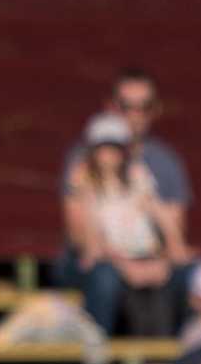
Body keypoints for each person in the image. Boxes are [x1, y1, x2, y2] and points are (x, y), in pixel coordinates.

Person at [63, 114, 186, 337]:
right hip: (112, 262)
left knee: (180, 280)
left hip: (144, 257)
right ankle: (94, 353)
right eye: (103, 149)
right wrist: (128, 267)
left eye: (115, 149)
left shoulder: (138, 176)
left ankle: (173, 355)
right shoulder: (82, 181)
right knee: (107, 280)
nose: (109, 156)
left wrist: (169, 257)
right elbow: (89, 245)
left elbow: (161, 216)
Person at [59, 70, 192, 226]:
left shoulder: (167, 162)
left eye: (145, 107)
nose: (135, 115)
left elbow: (175, 232)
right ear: (110, 106)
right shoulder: (83, 156)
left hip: (149, 249)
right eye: (125, 106)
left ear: (156, 109)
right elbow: (78, 230)